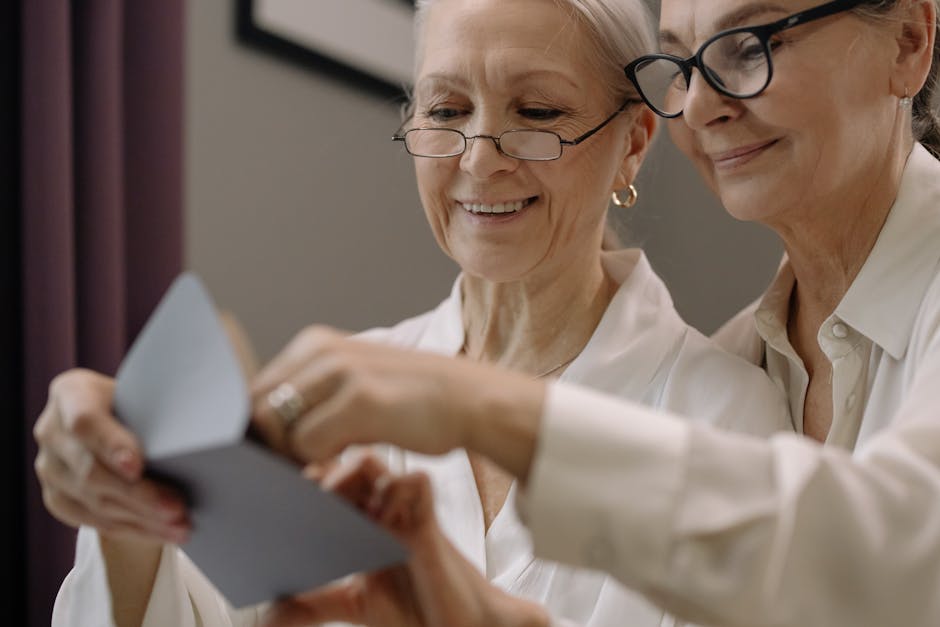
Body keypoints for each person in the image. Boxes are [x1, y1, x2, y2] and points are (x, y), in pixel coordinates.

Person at [34, 0, 793, 626]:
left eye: (536, 109)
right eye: (447, 108)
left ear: (632, 143)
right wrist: (127, 501)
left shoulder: (726, 419)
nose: (478, 157)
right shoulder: (334, 399)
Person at [248, 0, 940, 625]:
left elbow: (897, 547)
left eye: (752, 44)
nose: (697, 107)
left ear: (910, 40)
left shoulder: (723, 396)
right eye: (687, 63)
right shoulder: (754, 350)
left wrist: (476, 405)